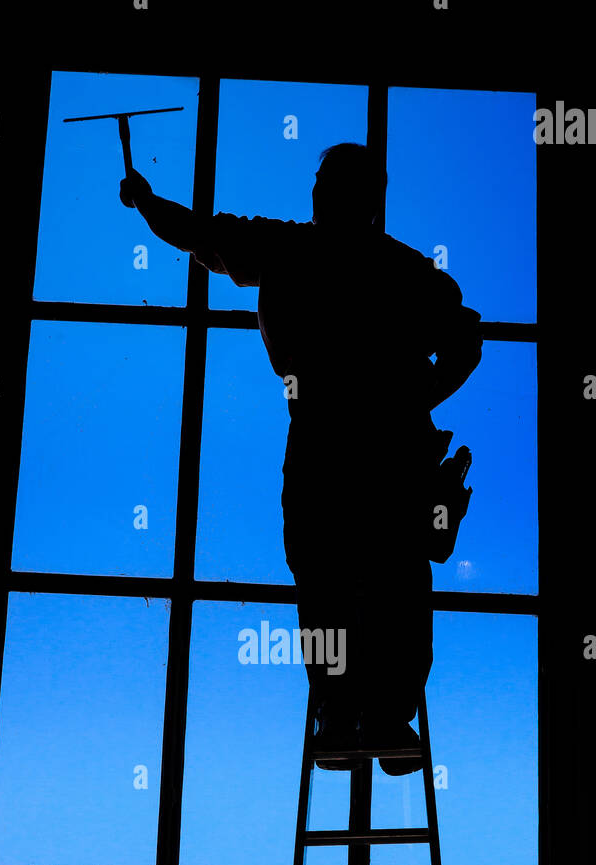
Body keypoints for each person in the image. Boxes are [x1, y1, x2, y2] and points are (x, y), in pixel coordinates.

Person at [120, 143, 482, 772]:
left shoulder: (290, 252)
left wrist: (148, 204)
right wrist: (416, 398)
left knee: (323, 584)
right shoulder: (403, 272)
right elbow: (464, 341)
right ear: (375, 202)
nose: (317, 190)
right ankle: (390, 720)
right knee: (396, 582)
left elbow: (202, 234)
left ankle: (339, 719)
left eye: (324, 181)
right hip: (392, 456)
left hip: (319, 449)